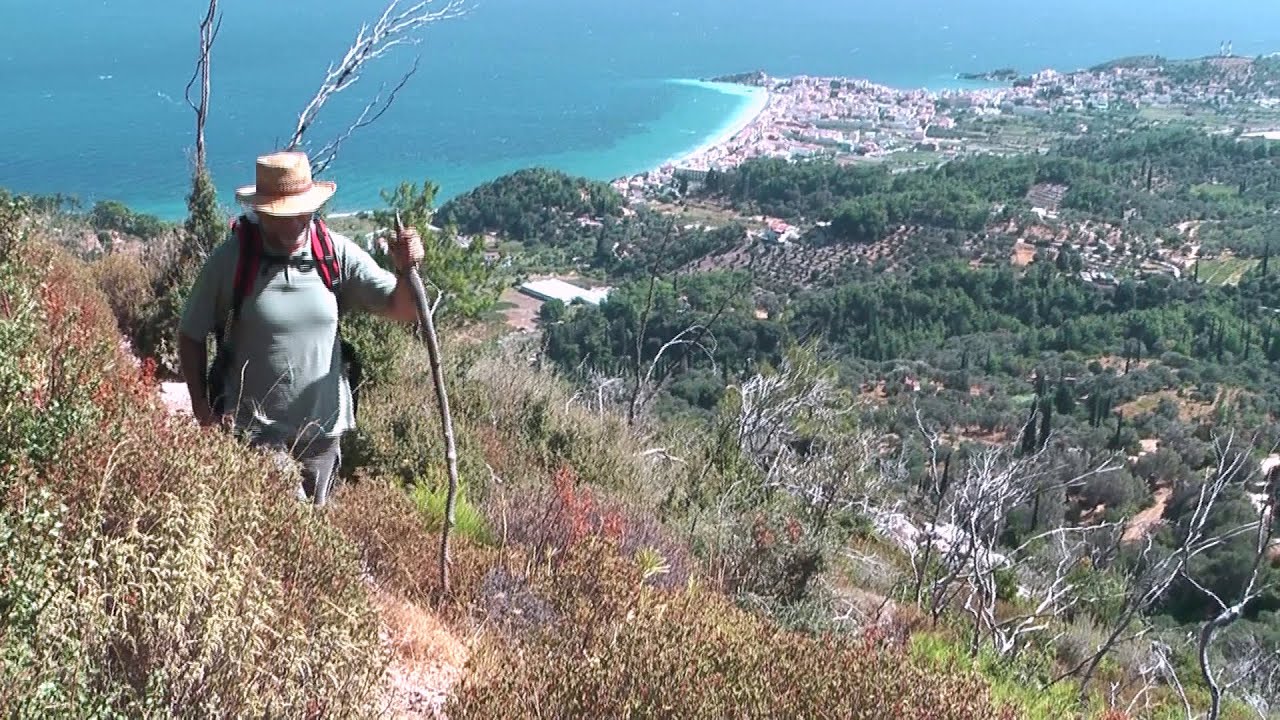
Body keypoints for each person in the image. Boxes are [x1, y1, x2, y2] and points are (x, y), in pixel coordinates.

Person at [178, 151, 424, 506]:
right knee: (279, 525)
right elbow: (191, 333)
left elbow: (404, 310)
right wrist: (202, 409)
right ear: (260, 212)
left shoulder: (335, 254)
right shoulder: (231, 260)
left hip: (323, 434)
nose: (295, 224)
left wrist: (407, 271)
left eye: (302, 212)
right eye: (282, 216)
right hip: (256, 433)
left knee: (312, 534)